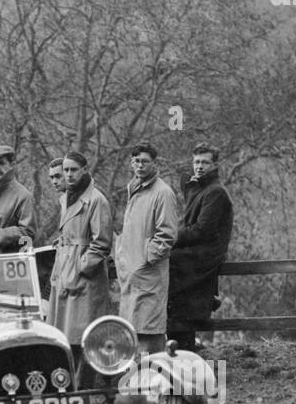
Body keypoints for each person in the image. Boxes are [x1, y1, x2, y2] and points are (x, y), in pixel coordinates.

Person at [168, 142, 233, 351]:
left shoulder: (215, 192)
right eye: (196, 162)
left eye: (205, 162)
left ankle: (184, 340)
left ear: (215, 165)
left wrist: (169, 237)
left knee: (170, 263)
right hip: (195, 250)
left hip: (206, 252)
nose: (199, 166)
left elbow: (201, 231)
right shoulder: (200, 188)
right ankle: (179, 339)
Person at [114, 142, 178, 353]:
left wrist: (144, 260)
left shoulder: (163, 193)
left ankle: (153, 381)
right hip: (132, 275)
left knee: (149, 334)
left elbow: (167, 235)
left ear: (155, 163)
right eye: (136, 161)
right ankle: (135, 381)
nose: (140, 166)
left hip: (148, 275)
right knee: (132, 332)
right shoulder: (134, 188)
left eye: (145, 161)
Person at [49, 152, 114, 353]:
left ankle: (87, 383)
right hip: (64, 271)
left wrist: (80, 267)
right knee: (63, 336)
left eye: (74, 170)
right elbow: (72, 231)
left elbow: (102, 242)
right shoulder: (66, 198)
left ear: (85, 170)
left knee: (85, 336)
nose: (69, 175)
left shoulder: (96, 200)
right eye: (66, 170)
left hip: (85, 279)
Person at [0, 145, 36, 252]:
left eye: (1, 163)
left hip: (7, 260)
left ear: (12, 165)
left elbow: (28, 234)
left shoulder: (23, 196)